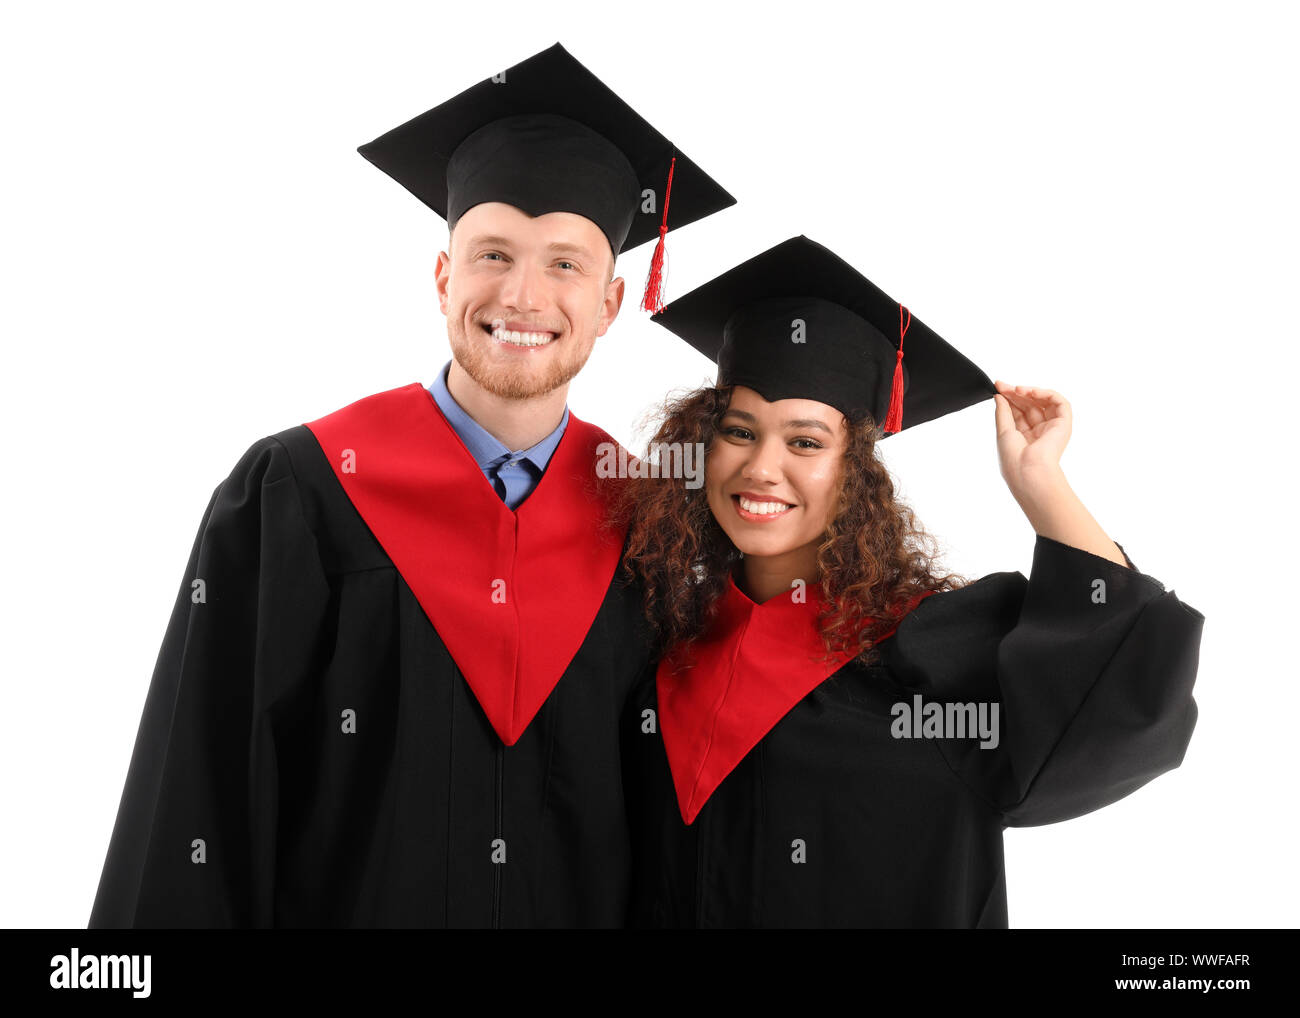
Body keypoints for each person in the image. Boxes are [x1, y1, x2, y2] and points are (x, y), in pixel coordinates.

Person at [87, 42, 734, 928]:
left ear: (611, 304)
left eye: (566, 264)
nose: (524, 293)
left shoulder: (649, 529)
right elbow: (197, 798)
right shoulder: (301, 494)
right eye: (493, 253)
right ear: (443, 278)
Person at [615, 236, 1203, 928]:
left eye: (805, 442)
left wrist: (1041, 485)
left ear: (856, 472)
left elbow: (1121, 711)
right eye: (740, 433)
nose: (761, 469)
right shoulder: (658, 639)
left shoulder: (931, 658)